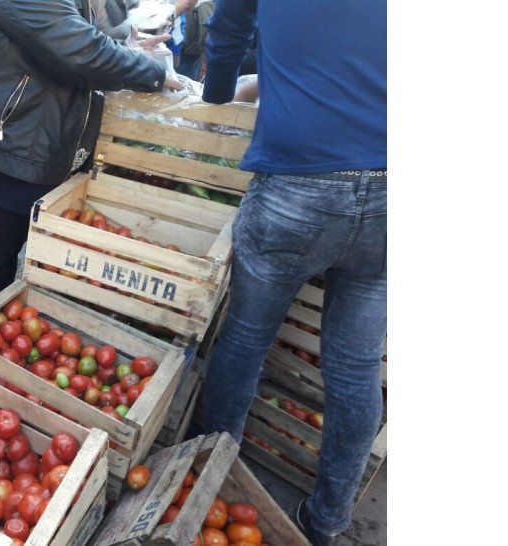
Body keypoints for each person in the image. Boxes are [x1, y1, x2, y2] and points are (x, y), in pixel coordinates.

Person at [199, 1, 386, 545]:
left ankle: (208, 482)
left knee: (247, 337)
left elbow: (226, 31)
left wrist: (214, 96)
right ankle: (327, 522)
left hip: (298, 184)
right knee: (355, 368)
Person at [0, 0, 182, 316]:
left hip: (12, 139)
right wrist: (154, 71)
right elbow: (80, 53)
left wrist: (127, 47)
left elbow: (65, 32)